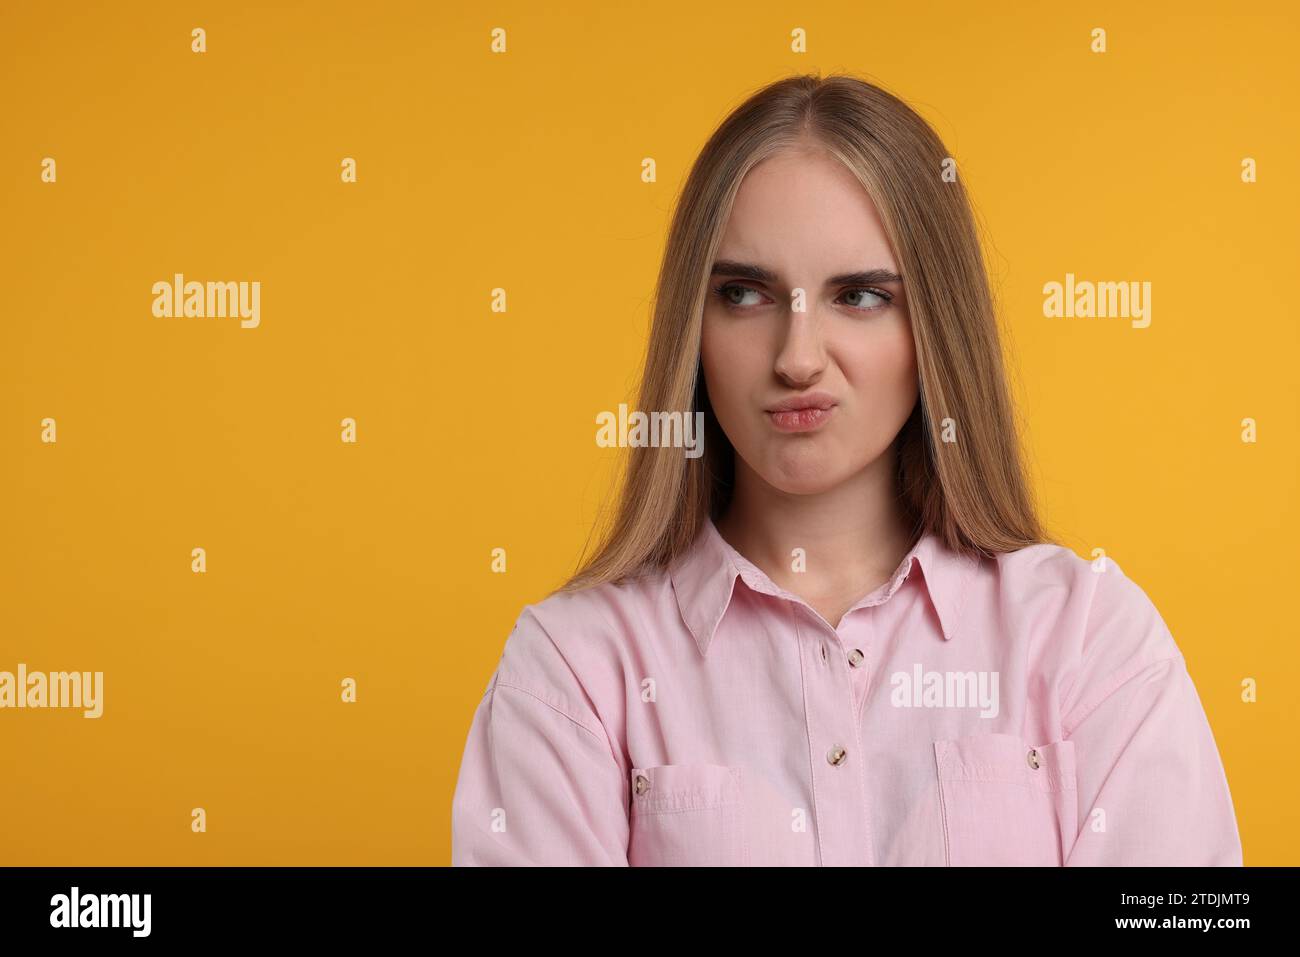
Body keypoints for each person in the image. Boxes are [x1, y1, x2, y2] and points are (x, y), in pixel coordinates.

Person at [450, 73, 1243, 866]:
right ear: (692, 322)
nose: (797, 358)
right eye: (745, 293)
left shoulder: (1087, 639)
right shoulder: (571, 671)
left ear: (934, 321)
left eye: (859, 295)